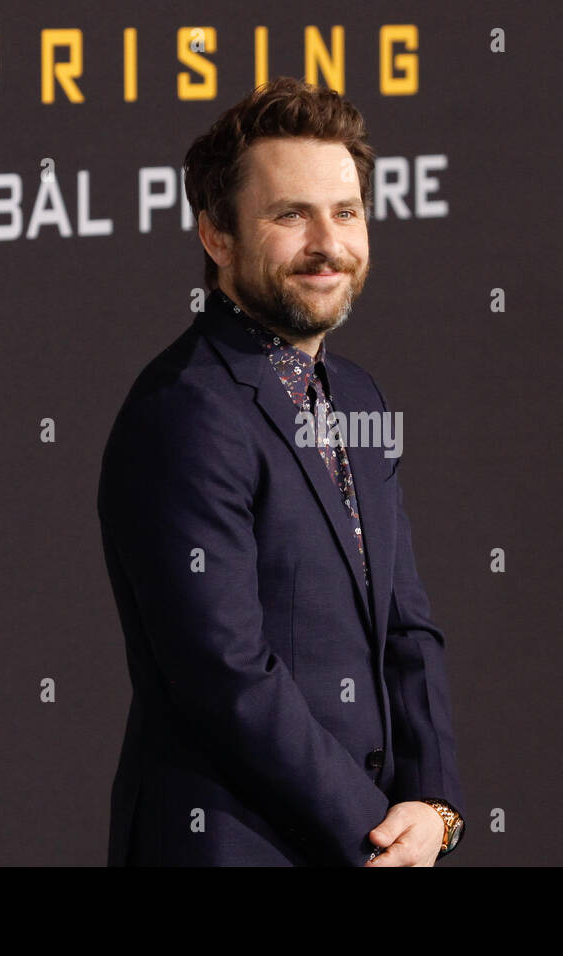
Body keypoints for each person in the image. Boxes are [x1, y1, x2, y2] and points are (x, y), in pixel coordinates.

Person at [98, 76, 465, 866]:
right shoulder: (185, 410)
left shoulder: (358, 393)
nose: (327, 243)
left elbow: (406, 623)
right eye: (290, 215)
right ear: (217, 236)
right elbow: (223, 672)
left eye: (346, 212)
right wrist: (374, 829)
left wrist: (433, 805)